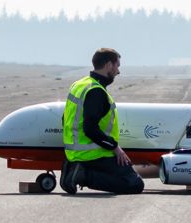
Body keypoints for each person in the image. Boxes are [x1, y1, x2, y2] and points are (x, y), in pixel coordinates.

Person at [59, 47, 144, 195]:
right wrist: (115, 148)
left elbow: (65, 119)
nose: (118, 71)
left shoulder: (80, 84)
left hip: (75, 153)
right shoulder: (96, 91)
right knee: (134, 184)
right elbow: (90, 129)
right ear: (108, 65)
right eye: (117, 66)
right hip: (92, 155)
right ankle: (82, 175)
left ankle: (76, 169)